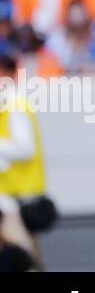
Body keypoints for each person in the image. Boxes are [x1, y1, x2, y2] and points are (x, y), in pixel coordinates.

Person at [0, 44, 45, 267]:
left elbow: (25, 149)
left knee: (23, 260)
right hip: (12, 199)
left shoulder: (14, 105)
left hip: (17, 200)